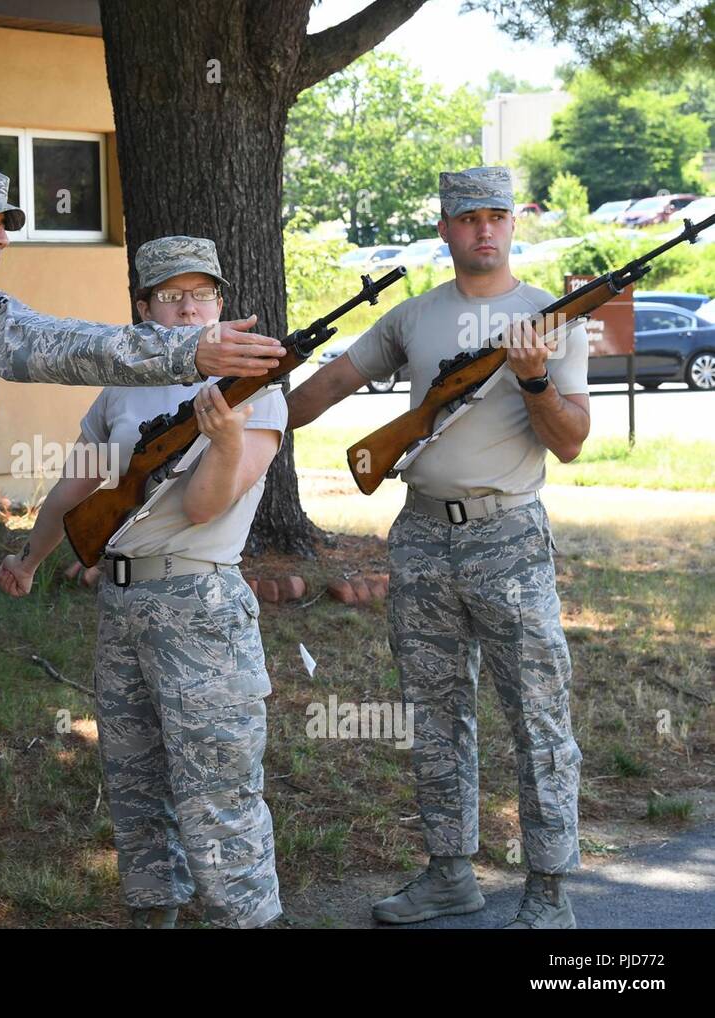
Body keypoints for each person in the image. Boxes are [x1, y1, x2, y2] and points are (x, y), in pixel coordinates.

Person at [0, 161, 284, 928]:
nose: (2, 238)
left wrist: (29, 557)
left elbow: (155, 492)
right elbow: (46, 343)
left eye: (6, 223)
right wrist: (184, 353)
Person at [287, 166, 590, 929]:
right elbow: (332, 384)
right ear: (444, 228)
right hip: (421, 536)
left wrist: (533, 381)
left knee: (537, 715)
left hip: (509, 537)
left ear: (513, 222)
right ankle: (449, 874)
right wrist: (254, 412)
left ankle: (549, 892)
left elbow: (574, 442)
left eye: (495, 215)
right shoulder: (414, 317)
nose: (483, 230)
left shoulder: (553, 320)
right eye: (467, 218)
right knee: (434, 711)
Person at [0, 236, 286, 929]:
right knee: (133, 779)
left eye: (202, 294)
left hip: (199, 604)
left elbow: (203, 507)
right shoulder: (124, 384)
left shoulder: (256, 384)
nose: (189, 309)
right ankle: (154, 915)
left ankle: (245, 919)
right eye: (171, 296)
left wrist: (220, 441)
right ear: (143, 307)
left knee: (216, 785)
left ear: (221, 300)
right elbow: (79, 483)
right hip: (121, 602)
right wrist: (31, 557)